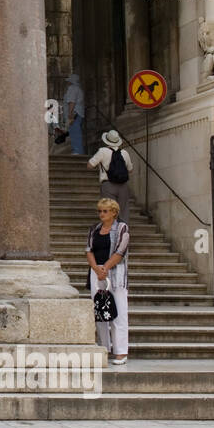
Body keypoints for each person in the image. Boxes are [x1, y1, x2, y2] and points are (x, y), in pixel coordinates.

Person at [86, 198, 130, 365]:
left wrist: (105, 268)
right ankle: (104, 348)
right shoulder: (94, 229)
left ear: (114, 212)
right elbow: (89, 250)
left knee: (119, 311)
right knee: (100, 310)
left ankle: (121, 352)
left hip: (115, 273)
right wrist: (97, 270)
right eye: (99, 211)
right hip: (96, 273)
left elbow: (120, 250)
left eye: (105, 211)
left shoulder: (122, 228)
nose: (101, 214)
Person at [88, 129, 134, 223]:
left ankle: (111, 234)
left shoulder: (102, 151)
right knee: (123, 211)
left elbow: (90, 165)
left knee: (108, 211)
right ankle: (122, 233)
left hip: (108, 185)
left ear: (107, 140)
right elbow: (130, 169)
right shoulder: (124, 153)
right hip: (123, 186)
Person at [62, 74, 85, 154]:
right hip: (77, 113)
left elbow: (72, 101)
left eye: (68, 81)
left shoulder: (72, 88)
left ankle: (77, 151)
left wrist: (70, 113)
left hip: (74, 113)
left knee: (75, 132)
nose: (67, 83)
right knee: (75, 131)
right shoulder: (78, 89)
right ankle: (78, 150)